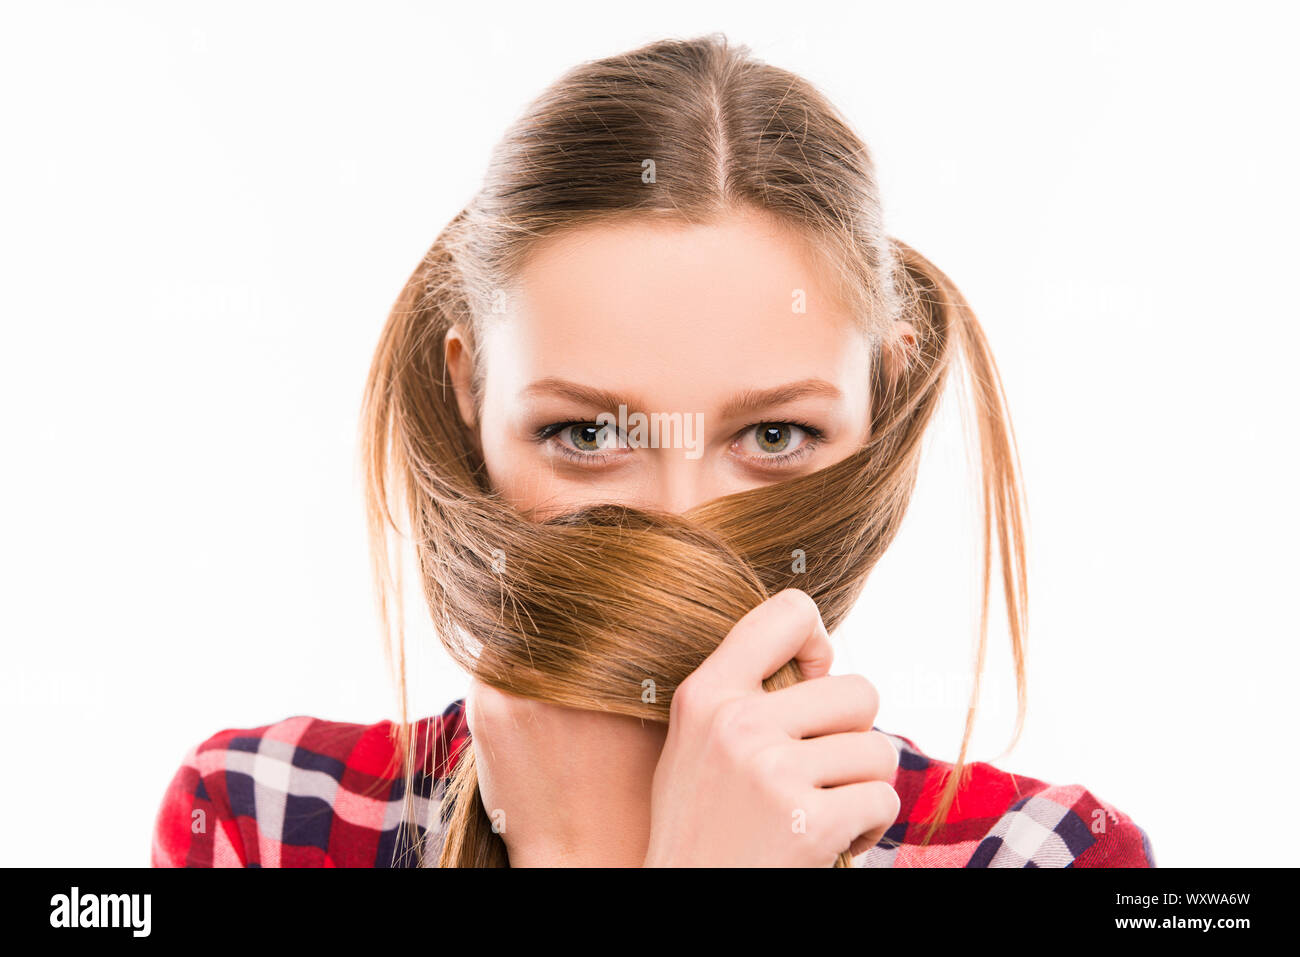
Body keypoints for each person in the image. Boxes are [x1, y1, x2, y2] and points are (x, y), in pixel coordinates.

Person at [152, 33, 1154, 868]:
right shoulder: (265, 821)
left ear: (880, 406)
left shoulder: (1038, 855)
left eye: (773, 436)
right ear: (468, 393)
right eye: (587, 434)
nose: (679, 525)